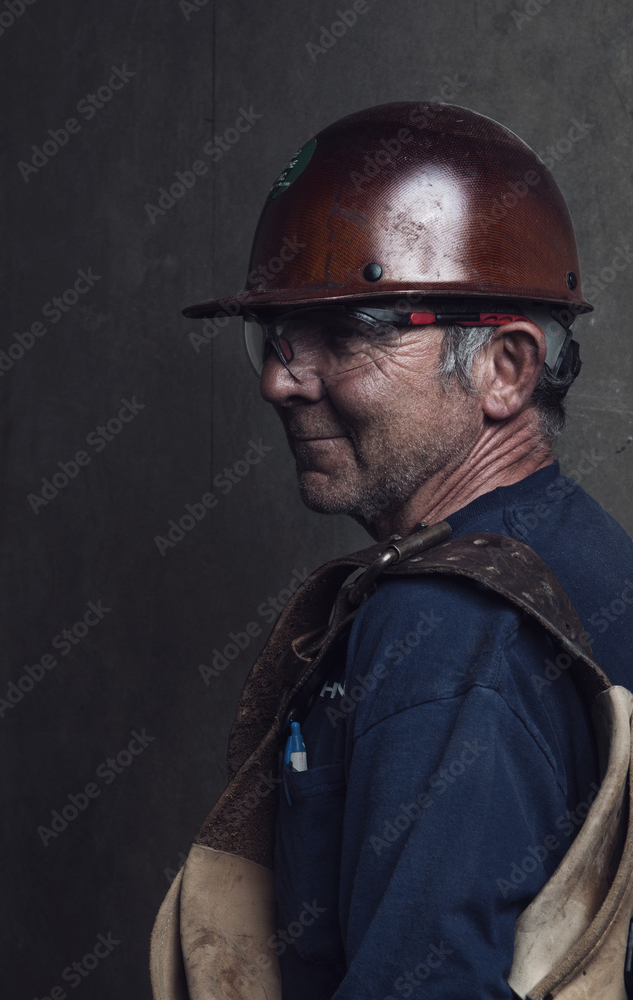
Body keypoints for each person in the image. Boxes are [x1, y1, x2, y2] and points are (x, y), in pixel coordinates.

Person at [152, 103, 633, 999]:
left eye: (347, 332)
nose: (276, 381)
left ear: (504, 368)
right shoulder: (590, 552)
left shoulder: (447, 624)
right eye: (274, 336)